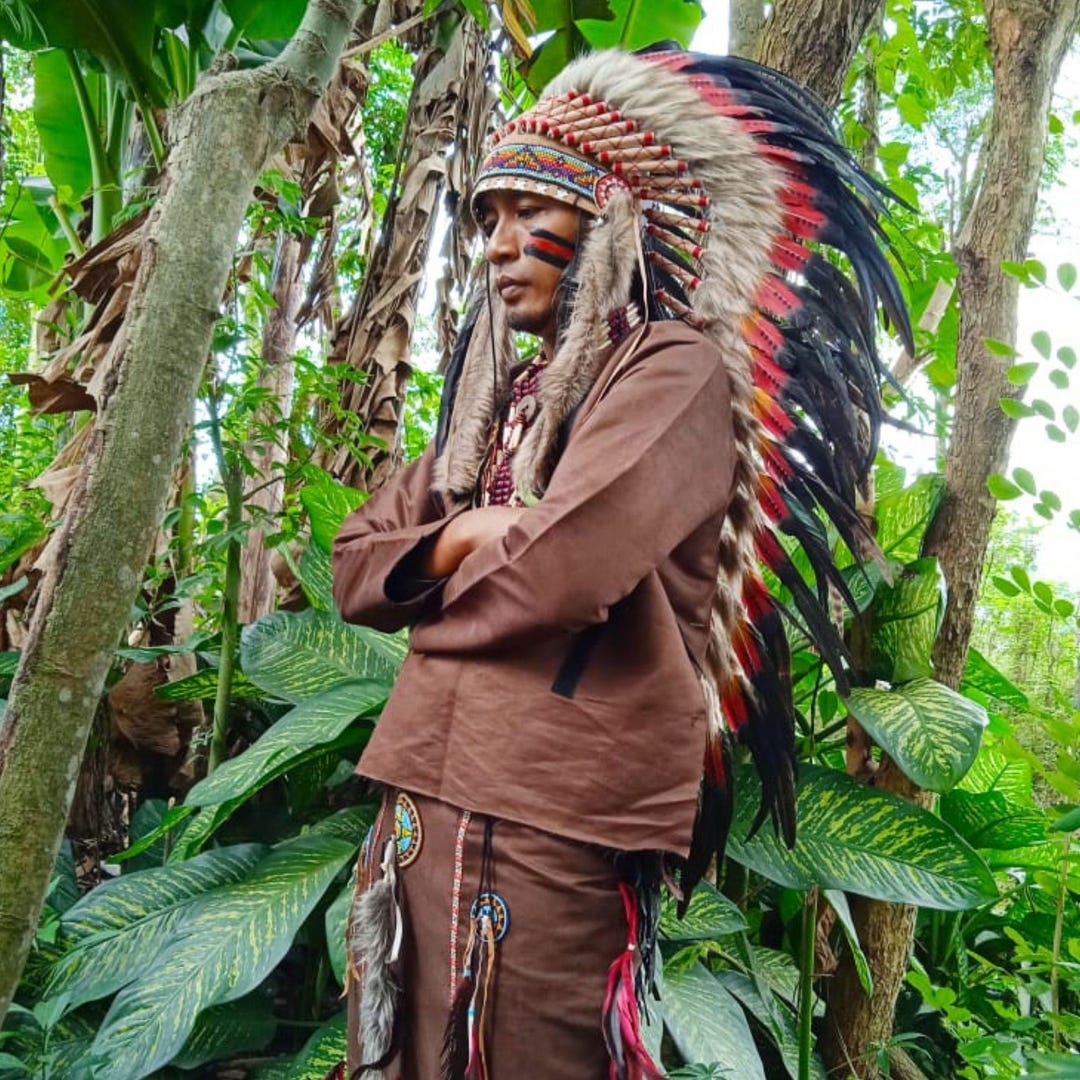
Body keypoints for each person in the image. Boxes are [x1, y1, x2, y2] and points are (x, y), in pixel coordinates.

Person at [331, 44, 911, 1080]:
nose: (499, 248)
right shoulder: (495, 404)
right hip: (422, 790)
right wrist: (467, 535)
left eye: (530, 214)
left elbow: (564, 575)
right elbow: (351, 572)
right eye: (487, 220)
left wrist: (440, 570)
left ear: (609, 219)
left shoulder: (675, 369)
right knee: (401, 1052)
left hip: (559, 812)